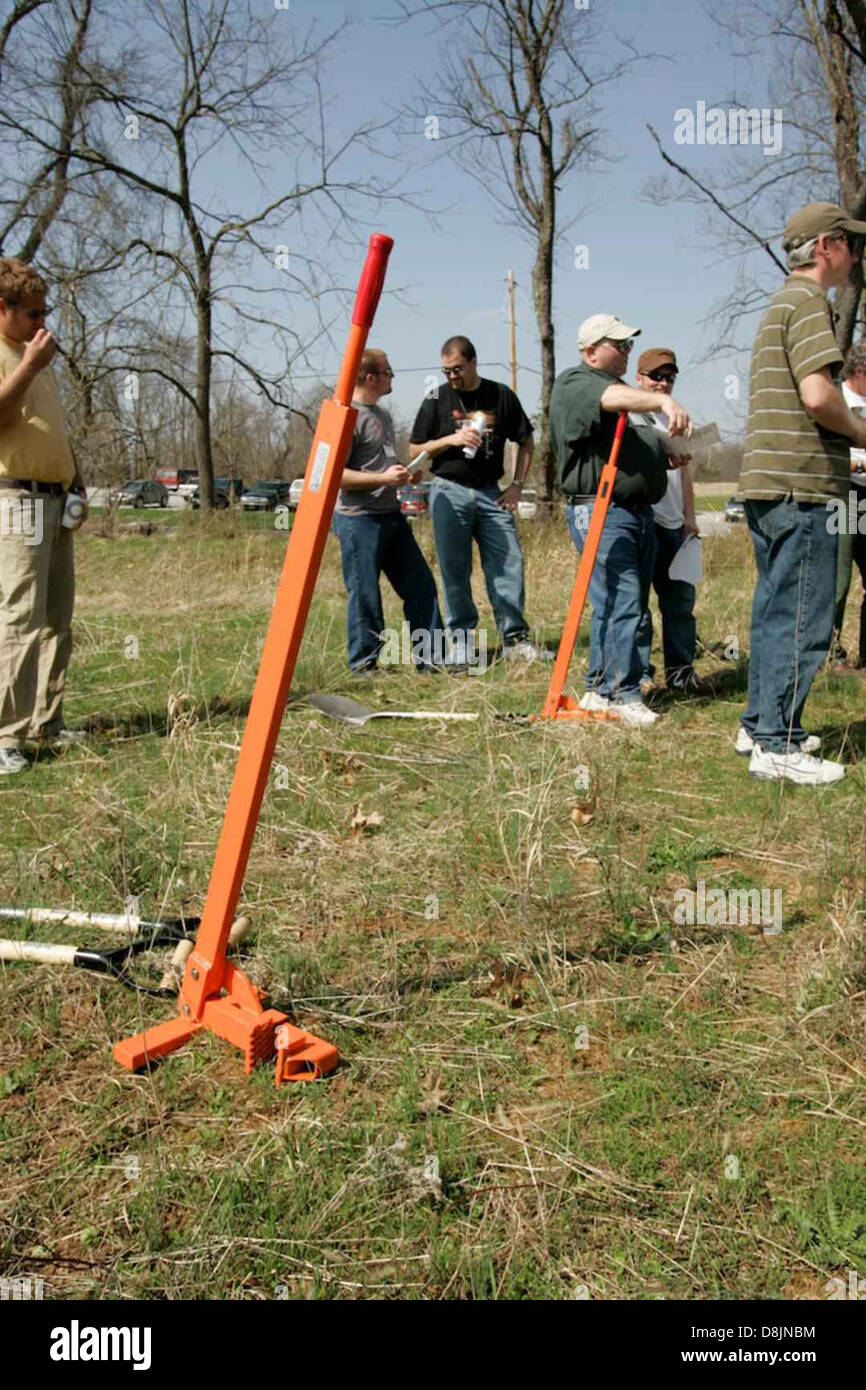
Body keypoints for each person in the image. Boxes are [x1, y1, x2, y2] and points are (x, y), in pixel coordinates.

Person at [736, 201, 866, 785]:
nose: (856, 255)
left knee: (774, 610)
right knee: (802, 618)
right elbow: (819, 397)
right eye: (850, 243)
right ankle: (778, 744)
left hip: (769, 484)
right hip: (803, 485)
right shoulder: (810, 303)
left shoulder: (780, 305)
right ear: (824, 247)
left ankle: (759, 723)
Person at [548, 314, 692, 727]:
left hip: (633, 512)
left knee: (618, 602)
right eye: (619, 344)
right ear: (591, 350)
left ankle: (600, 689)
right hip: (602, 509)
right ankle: (625, 694)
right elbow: (610, 400)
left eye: (629, 344)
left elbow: (625, 423)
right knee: (622, 599)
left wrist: (663, 447)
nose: (627, 351)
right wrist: (664, 401)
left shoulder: (622, 391)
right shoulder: (577, 381)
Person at [409, 335, 551, 670]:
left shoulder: (500, 395)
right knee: (454, 570)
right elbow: (415, 450)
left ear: (473, 362)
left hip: (491, 492)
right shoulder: (436, 398)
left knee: (508, 563)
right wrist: (451, 439)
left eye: (457, 369)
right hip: (447, 489)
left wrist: (517, 484)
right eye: (446, 371)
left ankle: (515, 640)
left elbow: (527, 440)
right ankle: (461, 644)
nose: (451, 377)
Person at [0, 257, 86, 775]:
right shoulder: (17, 357)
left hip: (55, 499)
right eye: (33, 313)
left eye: (45, 311)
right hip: (19, 501)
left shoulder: (36, 355)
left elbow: (48, 428)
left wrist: (74, 477)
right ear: (2, 309)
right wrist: (29, 365)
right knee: (20, 618)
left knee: (57, 619)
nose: (42, 322)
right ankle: (5, 735)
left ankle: (45, 722)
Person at [332, 347, 442, 674]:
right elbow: (335, 475)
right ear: (370, 377)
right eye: (388, 372)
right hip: (358, 520)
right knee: (366, 595)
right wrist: (382, 477)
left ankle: (432, 661)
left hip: (390, 516)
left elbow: (379, 464)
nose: (392, 377)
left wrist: (403, 472)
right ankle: (365, 666)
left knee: (421, 587)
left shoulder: (382, 415)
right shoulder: (346, 416)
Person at [633, 347, 701, 694]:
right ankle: (641, 673)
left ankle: (682, 673)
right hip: (645, 521)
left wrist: (690, 517)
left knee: (680, 604)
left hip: (676, 525)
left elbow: (686, 473)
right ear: (639, 378)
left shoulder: (678, 417)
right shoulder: (629, 416)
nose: (663, 383)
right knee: (637, 605)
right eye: (656, 376)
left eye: (669, 378)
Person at [831, 340, 866, 673]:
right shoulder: (833, 400)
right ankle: (830, 653)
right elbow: (824, 457)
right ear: (858, 371)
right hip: (842, 499)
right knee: (837, 579)